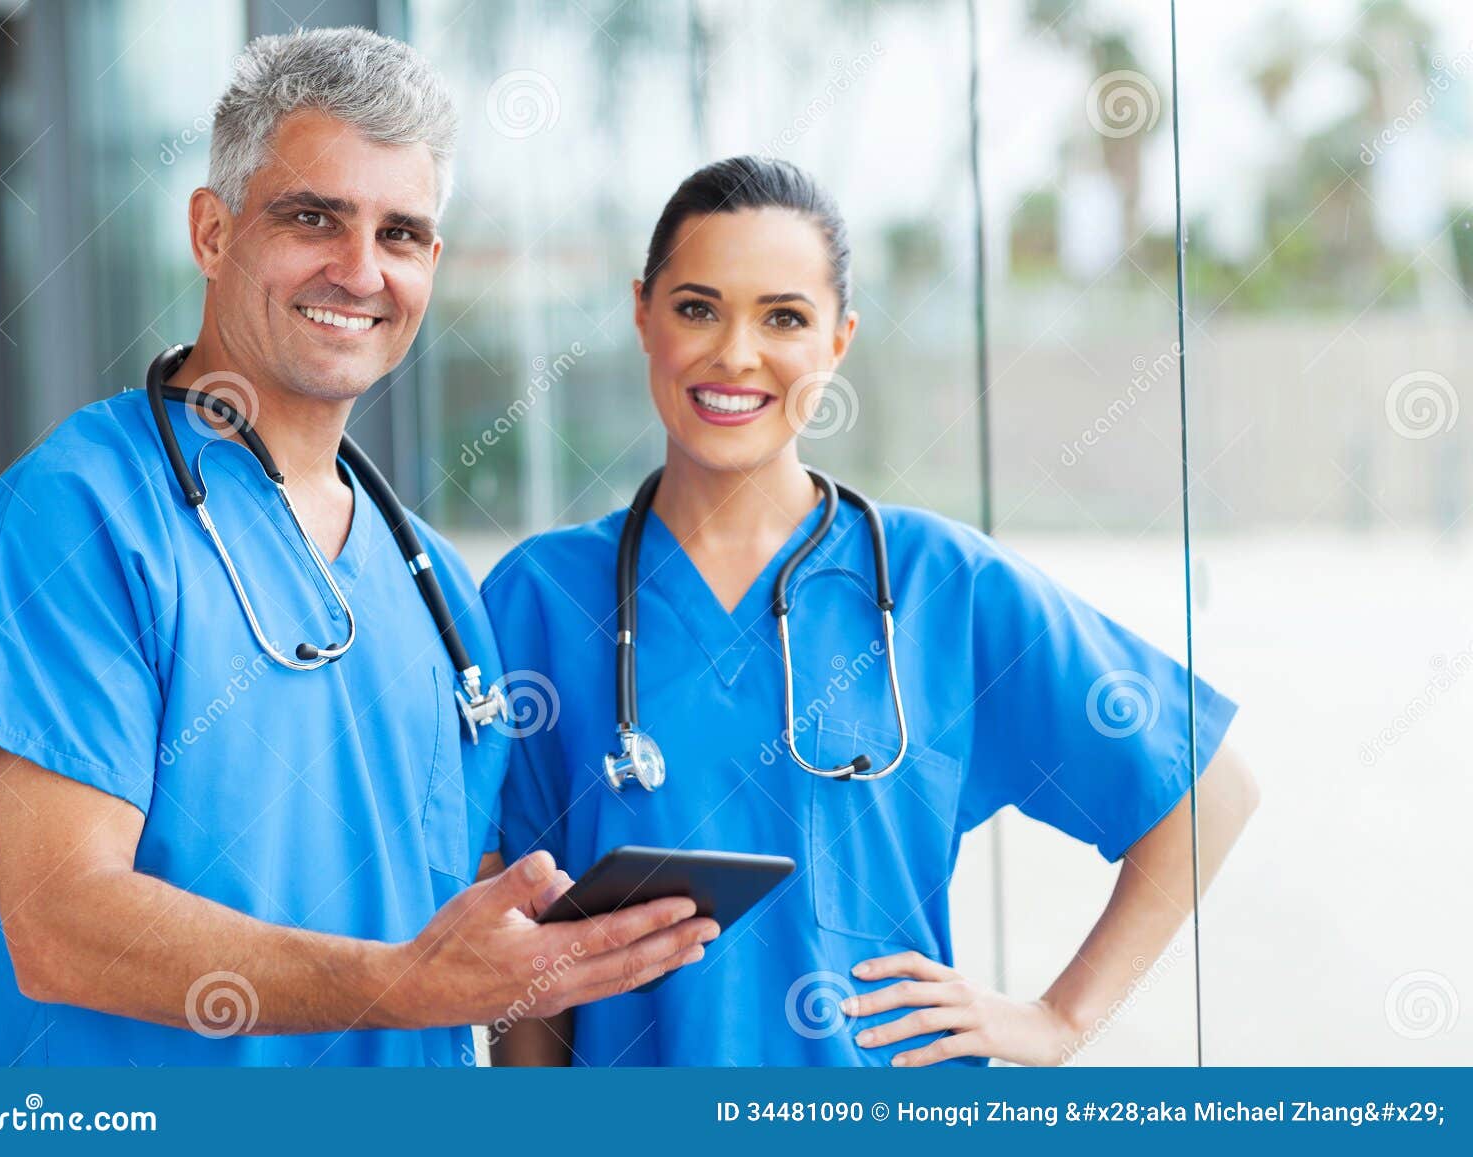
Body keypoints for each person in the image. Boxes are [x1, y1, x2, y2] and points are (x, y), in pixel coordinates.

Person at [0, 27, 715, 1068]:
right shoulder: (78, 517)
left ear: (429, 263)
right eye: (312, 218)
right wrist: (402, 984)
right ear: (212, 232)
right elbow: (61, 921)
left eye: (400, 234)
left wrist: (570, 951)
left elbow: (457, 927)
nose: (359, 270)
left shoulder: (433, 582)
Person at [482, 156, 1260, 1067]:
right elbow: (526, 961)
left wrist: (1058, 1019)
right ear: (641, 313)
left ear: (838, 341)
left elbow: (1209, 791)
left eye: (784, 317)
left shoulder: (943, 584)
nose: (735, 353)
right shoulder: (543, 597)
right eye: (697, 307)